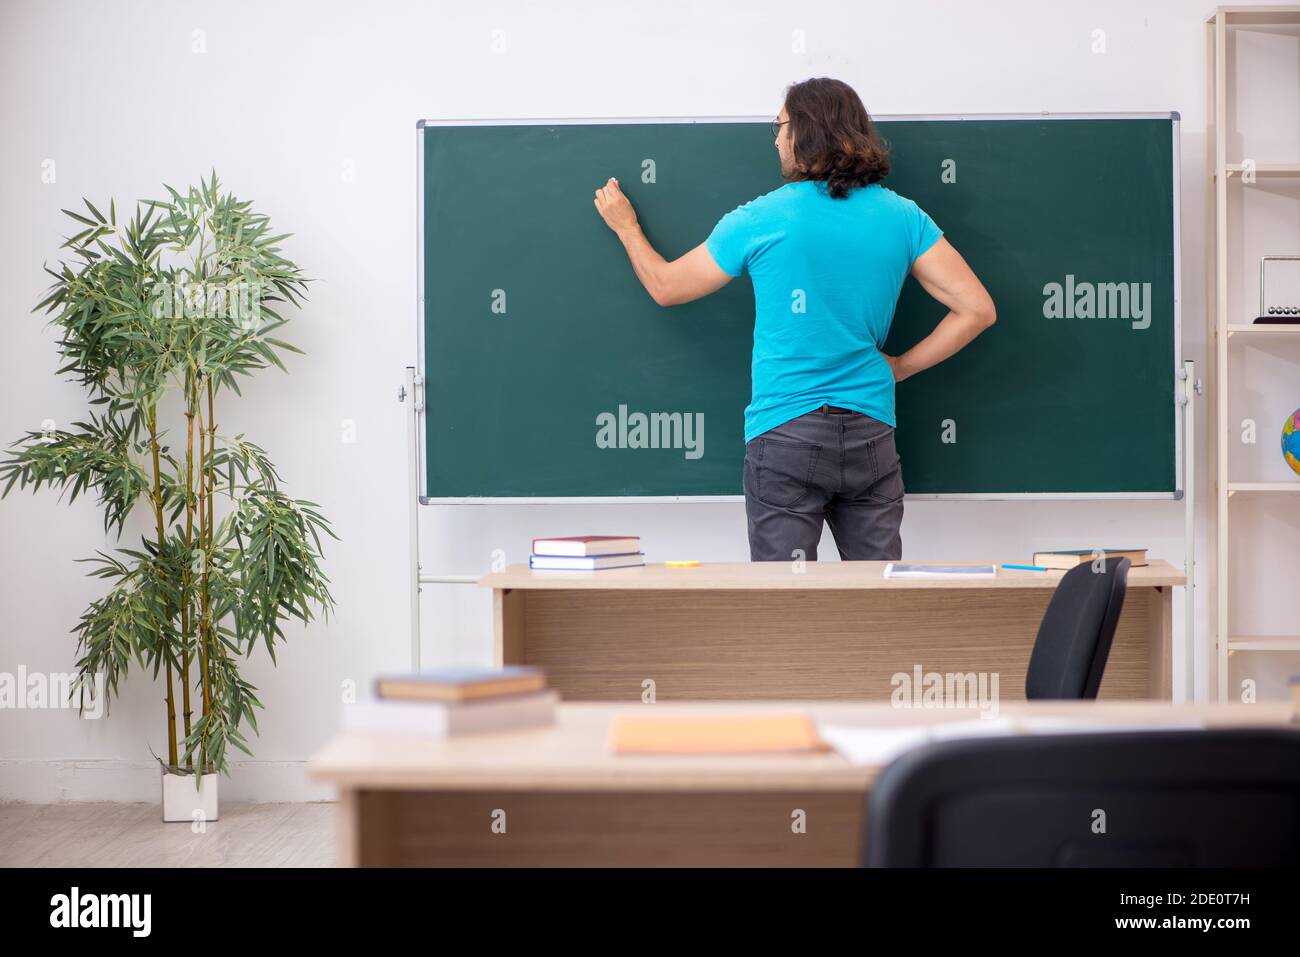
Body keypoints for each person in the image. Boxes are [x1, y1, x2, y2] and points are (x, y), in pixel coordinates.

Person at [593, 77, 995, 561]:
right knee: (877, 604)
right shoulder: (903, 217)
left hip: (785, 432)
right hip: (871, 432)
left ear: (804, 130)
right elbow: (976, 309)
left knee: (783, 606)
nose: (775, 138)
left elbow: (666, 286)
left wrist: (628, 228)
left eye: (779, 125)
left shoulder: (762, 218)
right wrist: (900, 367)